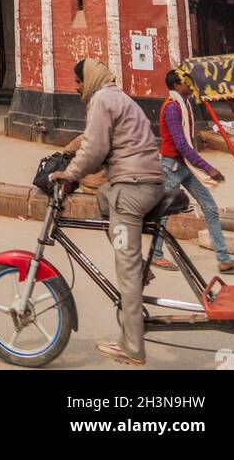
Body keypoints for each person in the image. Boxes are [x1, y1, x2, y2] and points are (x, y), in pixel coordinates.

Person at [50, 58, 165, 367]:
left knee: (125, 269)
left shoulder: (101, 99)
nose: (75, 88)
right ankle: (142, 267)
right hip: (146, 181)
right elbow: (98, 142)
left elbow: (95, 147)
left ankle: (132, 347)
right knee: (103, 196)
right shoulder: (118, 96)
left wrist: (70, 173)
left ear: (88, 79)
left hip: (132, 188)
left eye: (77, 81)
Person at [152, 69, 234, 274]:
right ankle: (156, 255)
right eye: (188, 83)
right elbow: (182, 145)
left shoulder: (184, 104)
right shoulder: (172, 109)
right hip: (173, 166)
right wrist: (208, 167)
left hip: (185, 166)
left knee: (210, 208)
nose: (192, 86)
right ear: (177, 86)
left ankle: (223, 259)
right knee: (165, 214)